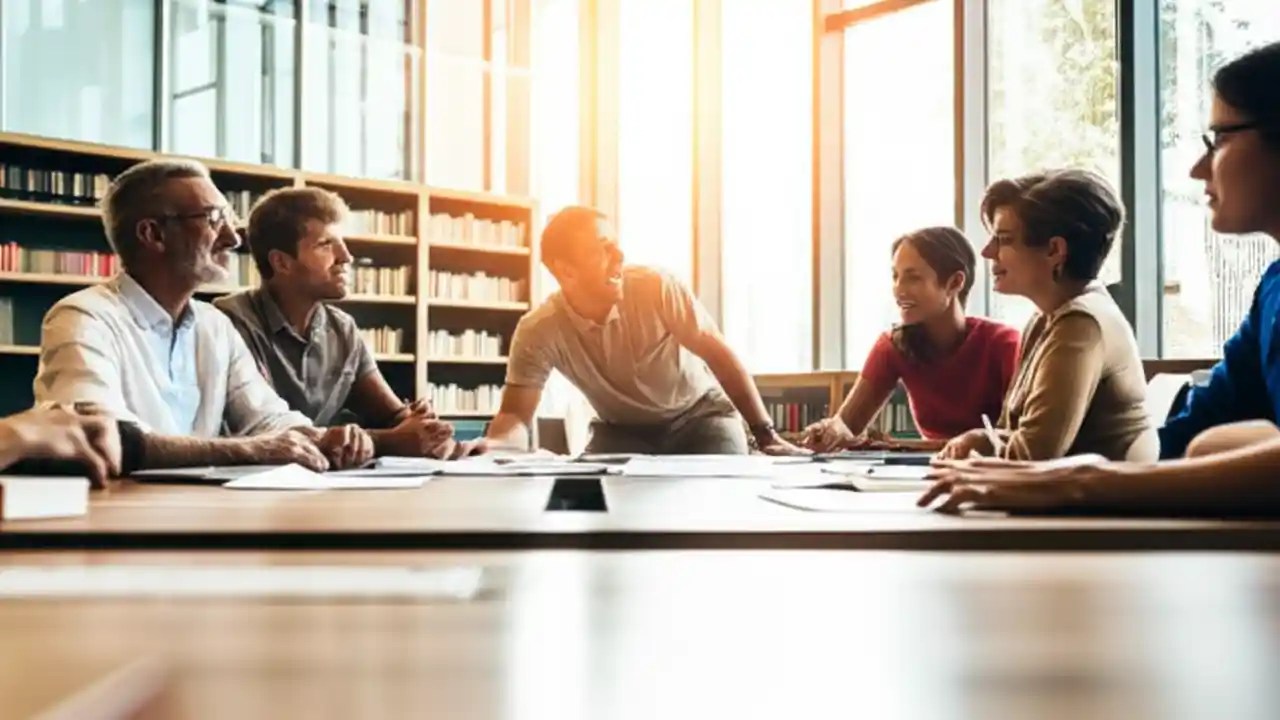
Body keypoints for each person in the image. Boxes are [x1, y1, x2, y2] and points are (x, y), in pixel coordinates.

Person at [922, 41, 1280, 516]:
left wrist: (1088, 481)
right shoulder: (1272, 288)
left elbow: (1058, 457)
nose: (1198, 168)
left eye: (1219, 138)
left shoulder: (1081, 321)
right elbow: (1187, 437)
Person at [34, 158, 370, 472]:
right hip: (123, 511)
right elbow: (94, 436)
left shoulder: (215, 325)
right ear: (153, 234)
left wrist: (324, 439)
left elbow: (267, 418)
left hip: (201, 507)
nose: (233, 238)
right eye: (213, 219)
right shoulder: (84, 317)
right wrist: (248, 450)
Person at [486, 205, 805, 455]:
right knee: (589, 497)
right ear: (566, 271)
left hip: (700, 418)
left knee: (719, 490)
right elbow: (514, 417)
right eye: (604, 249)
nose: (620, 256)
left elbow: (718, 355)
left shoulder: (656, 286)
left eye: (617, 246)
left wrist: (766, 435)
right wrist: (495, 446)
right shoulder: (538, 330)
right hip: (621, 432)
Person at [214, 187, 479, 459]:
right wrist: (389, 440)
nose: (347, 257)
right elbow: (264, 431)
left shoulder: (343, 329)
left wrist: (423, 427)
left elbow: (393, 416)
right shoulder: (229, 322)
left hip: (320, 476)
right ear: (282, 262)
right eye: (325, 244)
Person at [936, 169, 1158, 463]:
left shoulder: (1080, 324)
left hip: (1087, 494)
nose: (987, 251)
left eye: (1004, 239)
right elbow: (1015, 435)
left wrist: (981, 448)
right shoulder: (1047, 317)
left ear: (1054, 250)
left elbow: (1032, 458)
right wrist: (981, 439)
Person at [802, 227, 1019, 452]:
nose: (899, 290)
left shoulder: (1005, 344)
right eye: (895, 277)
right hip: (926, 468)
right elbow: (847, 426)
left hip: (994, 470)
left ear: (955, 283)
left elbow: (1023, 440)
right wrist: (831, 430)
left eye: (913, 278)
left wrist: (908, 445)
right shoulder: (893, 346)